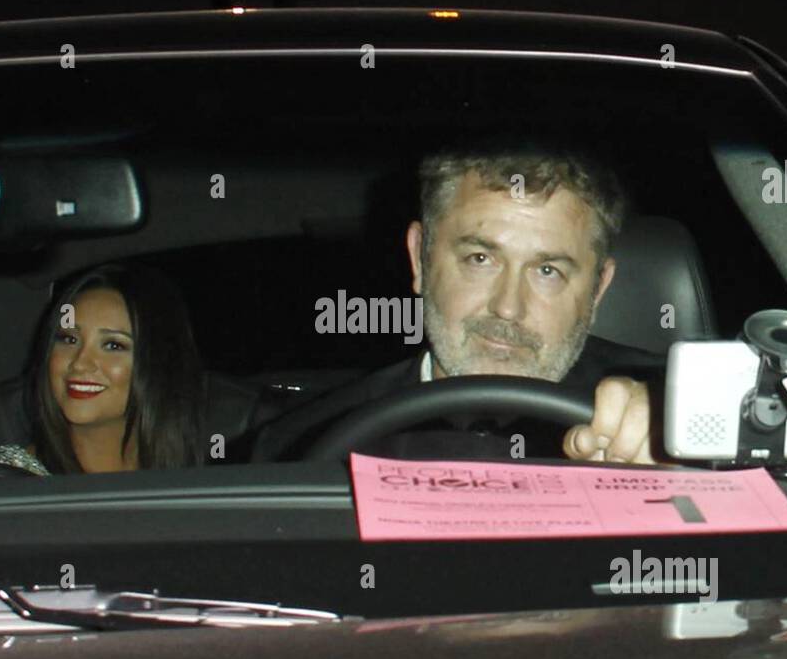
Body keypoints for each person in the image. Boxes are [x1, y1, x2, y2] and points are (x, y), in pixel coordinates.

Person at [253, 140, 660, 463]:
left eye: (547, 271)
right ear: (420, 259)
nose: (508, 308)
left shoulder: (675, 417)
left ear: (598, 290)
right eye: (479, 259)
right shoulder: (302, 443)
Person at [0, 263, 205, 475]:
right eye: (68, 339)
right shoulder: (3, 479)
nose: (80, 362)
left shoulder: (192, 482)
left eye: (113, 345)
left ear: (159, 366)